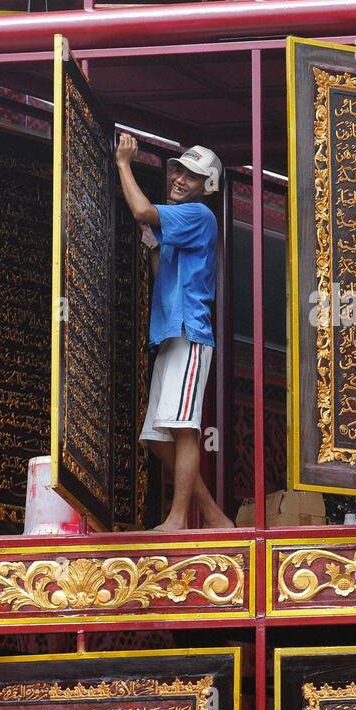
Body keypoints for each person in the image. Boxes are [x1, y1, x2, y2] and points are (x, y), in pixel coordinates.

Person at [115, 133, 233, 531]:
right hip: (171, 334)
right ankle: (215, 516)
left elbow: (143, 212)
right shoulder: (182, 224)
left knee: (183, 429)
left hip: (190, 333)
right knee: (156, 436)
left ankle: (179, 519)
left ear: (206, 187)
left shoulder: (199, 215)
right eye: (179, 170)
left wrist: (123, 164)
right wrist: (153, 246)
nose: (181, 179)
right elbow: (159, 274)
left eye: (193, 176)